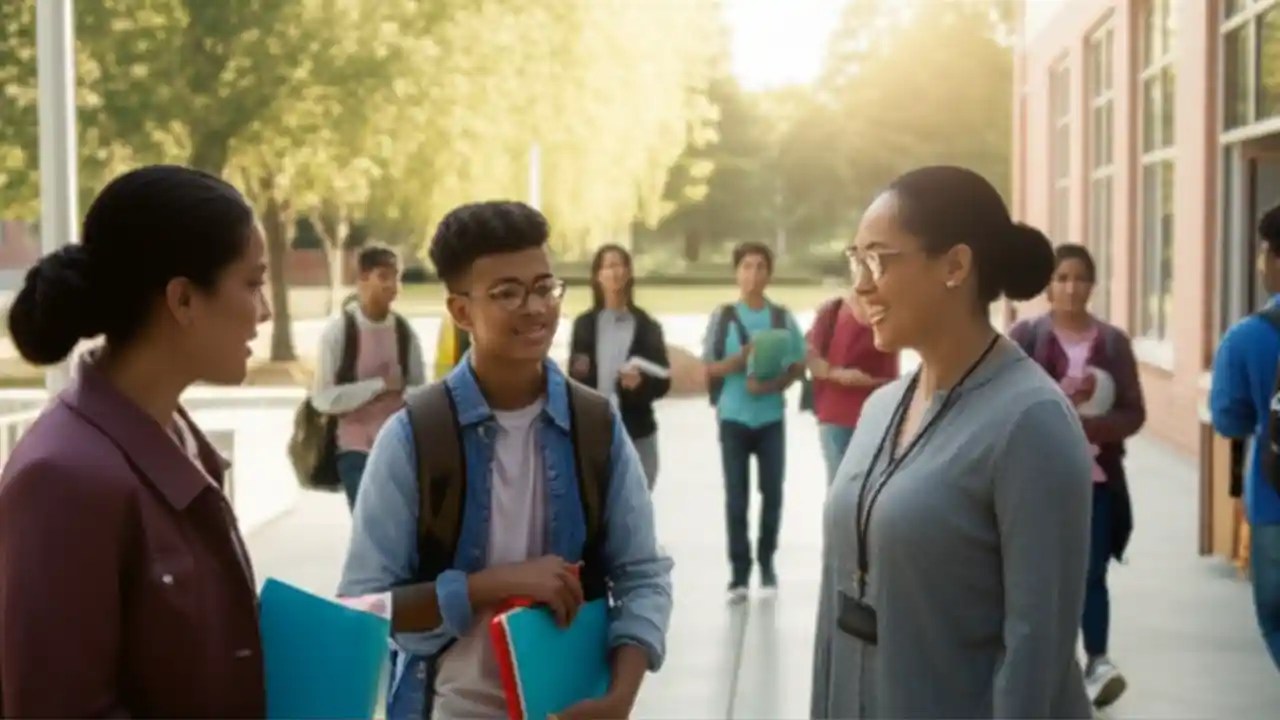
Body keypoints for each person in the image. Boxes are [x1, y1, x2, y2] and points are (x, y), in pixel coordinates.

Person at [338, 201, 672, 719]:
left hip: (566, 706)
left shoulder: (596, 425)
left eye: (544, 287)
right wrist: (493, 585)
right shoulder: (414, 435)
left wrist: (618, 698)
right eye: (507, 293)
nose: (535, 308)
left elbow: (643, 575)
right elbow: (364, 608)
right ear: (461, 311)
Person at [810, 166, 1093, 719]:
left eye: (879, 260)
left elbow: (1036, 651)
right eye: (855, 260)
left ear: (955, 265)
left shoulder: (1031, 422)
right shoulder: (881, 408)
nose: (861, 285)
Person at [0, 165, 272, 716]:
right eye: (253, 282)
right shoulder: (63, 478)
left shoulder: (176, 438)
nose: (263, 311)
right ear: (183, 299)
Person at [1010, 243, 1145, 708]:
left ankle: (1098, 661)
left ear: (1092, 284)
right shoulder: (1024, 338)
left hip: (1098, 481)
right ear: (1048, 285)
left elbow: (1134, 412)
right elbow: (1006, 405)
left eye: (1079, 277)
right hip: (1039, 485)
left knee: (1091, 573)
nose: (1070, 287)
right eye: (1061, 277)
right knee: (1039, 574)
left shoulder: (1112, 343)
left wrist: (1087, 427)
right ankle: (1049, 664)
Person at [702, 241, 806, 601]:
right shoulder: (724, 317)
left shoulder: (781, 317)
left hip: (771, 418)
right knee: (736, 497)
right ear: (736, 272)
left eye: (761, 266)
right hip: (733, 417)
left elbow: (798, 364)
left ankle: (767, 561)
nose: (753, 274)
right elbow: (709, 367)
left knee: (773, 494)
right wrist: (739, 360)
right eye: (746, 266)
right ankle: (739, 573)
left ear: (769, 273)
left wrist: (776, 383)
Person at [1209, 203, 1280, 670]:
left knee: (1276, 619)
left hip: (1275, 501)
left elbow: (1229, 421)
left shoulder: (1247, 337)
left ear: (1274, 260)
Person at [309, 245, 426, 509]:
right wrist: (379, 387)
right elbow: (323, 398)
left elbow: (420, 390)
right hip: (356, 449)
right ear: (362, 278)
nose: (392, 286)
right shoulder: (340, 332)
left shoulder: (404, 332)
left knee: (401, 532)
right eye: (383, 276)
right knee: (370, 525)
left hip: (400, 448)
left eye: (397, 277)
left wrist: (408, 395)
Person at [569, 244, 671, 489]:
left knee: (637, 509)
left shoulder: (647, 326)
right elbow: (575, 378)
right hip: (594, 432)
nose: (614, 272)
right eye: (607, 266)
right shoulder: (585, 325)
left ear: (628, 273)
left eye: (619, 265)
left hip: (637, 432)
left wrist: (640, 385)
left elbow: (664, 380)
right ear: (597, 276)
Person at [806, 292, 899, 483]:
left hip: (877, 418)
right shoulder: (833, 311)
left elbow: (892, 378)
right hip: (836, 419)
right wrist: (838, 375)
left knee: (873, 490)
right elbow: (811, 360)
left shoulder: (888, 313)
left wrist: (868, 382)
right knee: (839, 491)